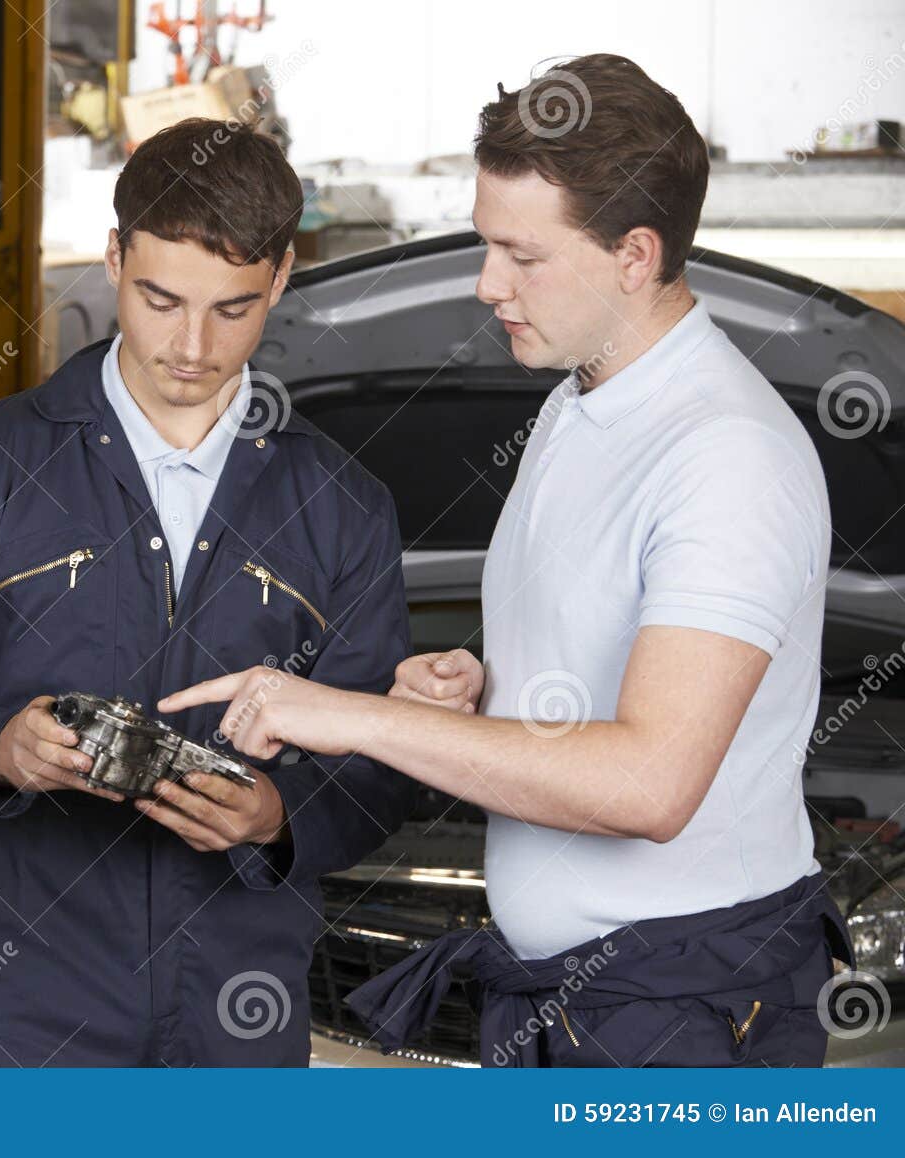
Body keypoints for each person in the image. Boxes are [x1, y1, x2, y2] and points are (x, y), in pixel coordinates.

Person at [161, 55, 851, 1067]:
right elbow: (597, 679)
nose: (486, 285)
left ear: (633, 255)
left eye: (518, 255)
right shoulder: (573, 409)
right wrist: (478, 695)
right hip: (581, 1002)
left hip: (687, 1009)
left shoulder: (725, 458)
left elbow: (650, 785)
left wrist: (350, 713)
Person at [0, 118, 413, 1066]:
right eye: (159, 297)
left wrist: (279, 814)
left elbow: (382, 766)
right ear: (113, 256)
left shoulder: (343, 506)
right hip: (16, 1005)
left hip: (237, 1007)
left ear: (281, 277)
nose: (191, 344)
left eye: (233, 308)